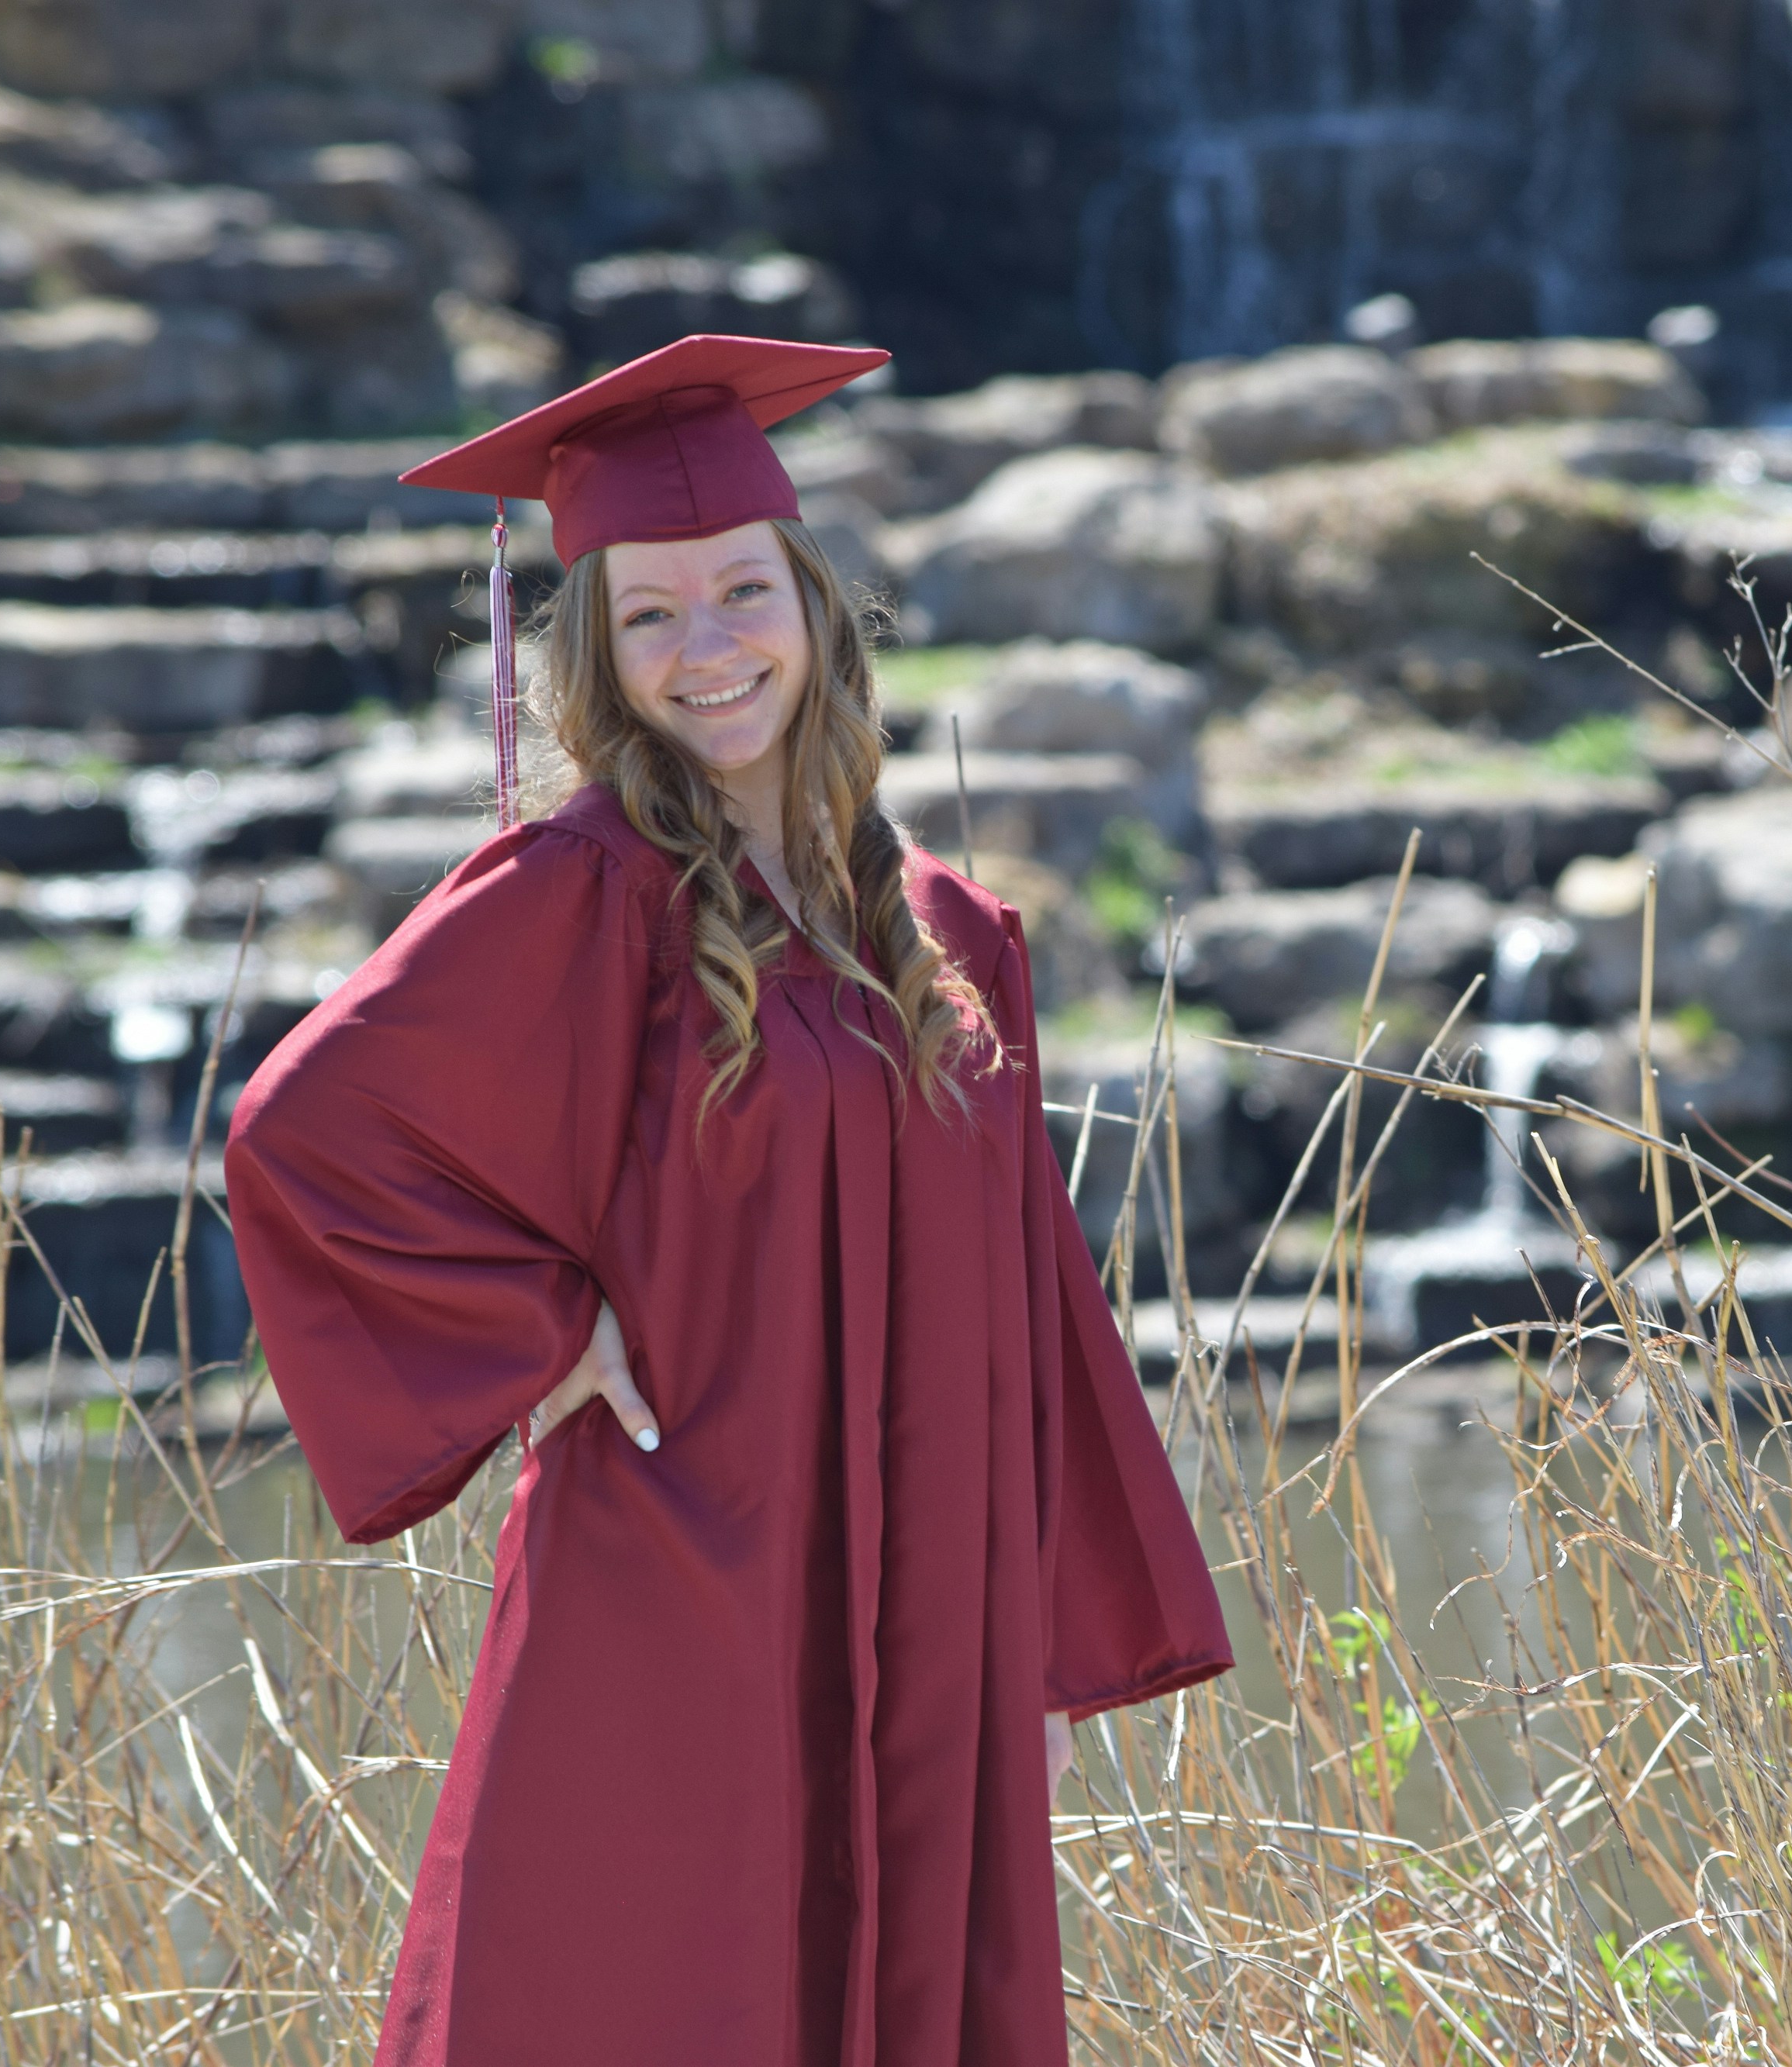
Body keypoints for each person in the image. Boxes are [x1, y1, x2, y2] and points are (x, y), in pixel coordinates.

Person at [225, 333, 1233, 2067]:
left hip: (924, 1612)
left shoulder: (950, 934)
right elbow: (300, 1130)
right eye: (654, 616)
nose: (710, 651)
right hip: (685, 1584)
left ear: (814, 606)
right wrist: (540, 1341)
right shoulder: (579, 897)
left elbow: (1028, 1293)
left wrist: (1037, 1652)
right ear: (602, 659)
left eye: (741, 594)